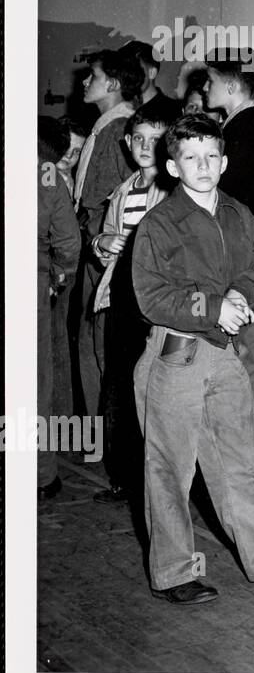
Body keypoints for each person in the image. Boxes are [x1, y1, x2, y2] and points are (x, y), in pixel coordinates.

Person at [131, 114, 254, 604]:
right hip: (174, 357)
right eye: (190, 157)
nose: (202, 166)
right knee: (169, 469)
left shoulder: (238, 213)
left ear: (224, 162)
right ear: (172, 165)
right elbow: (149, 295)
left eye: (211, 156)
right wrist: (211, 308)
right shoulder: (159, 224)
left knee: (241, 463)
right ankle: (173, 573)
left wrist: (240, 296)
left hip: (227, 356)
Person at [204, 49, 254, 471]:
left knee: (241, 360)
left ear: (233, 86)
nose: (204, 87)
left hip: (237, 261)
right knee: (245, 359)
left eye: (211, 80)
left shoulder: (241, 134)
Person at [89, 106, 173, 506]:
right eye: (138, 138)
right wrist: (102, 244)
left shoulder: (173, 190)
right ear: (127, 142)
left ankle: (158, 483)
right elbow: (104, 240)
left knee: (155, 392)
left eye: (156, 140)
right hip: (122, 301)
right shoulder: (123, 190)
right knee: (120, 390)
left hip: (155, 304)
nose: (145, 146)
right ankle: (125, 476)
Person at [73, 48, 141, 425]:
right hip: (95, 246)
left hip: (109, 251)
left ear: (112, 84)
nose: (85, 82)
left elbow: (126, 196)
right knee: (93, 342)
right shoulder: (105, 126)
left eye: (92, 76)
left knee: (103, 346)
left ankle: (110, 435)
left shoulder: (121, 130)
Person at [38, 117, 84, 500]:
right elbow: (69, 241)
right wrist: (58, 276)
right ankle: (40, 475)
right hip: (30, 283)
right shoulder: (47, 175)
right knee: (37, 380)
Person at [119, 39, 182, 123]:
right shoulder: (117, 107)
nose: (127, 75)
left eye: (134, 70)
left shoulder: (173, 111)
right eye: (123, 70)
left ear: (152, 73)